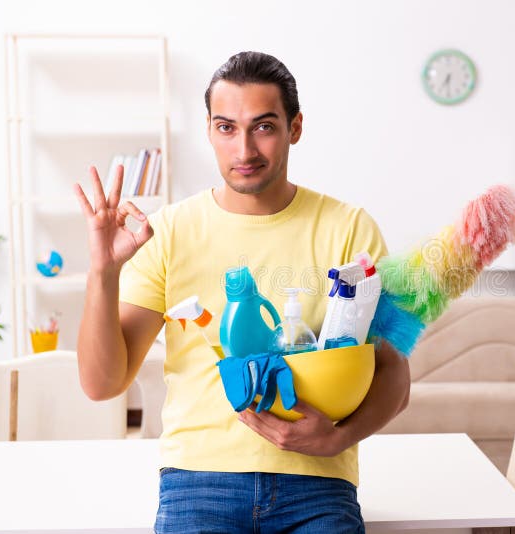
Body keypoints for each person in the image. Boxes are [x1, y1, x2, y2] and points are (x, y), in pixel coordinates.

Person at [74, 51, 410, 534]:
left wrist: (339, 439)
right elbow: (101, 384)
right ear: (209, 130)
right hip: (198, 482)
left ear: (295, 127)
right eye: (227, 127)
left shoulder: (349, 229)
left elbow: (394, 373)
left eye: (264, 127)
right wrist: (103, 271)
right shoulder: (167, 232)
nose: (244, 150)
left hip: (317, 481)